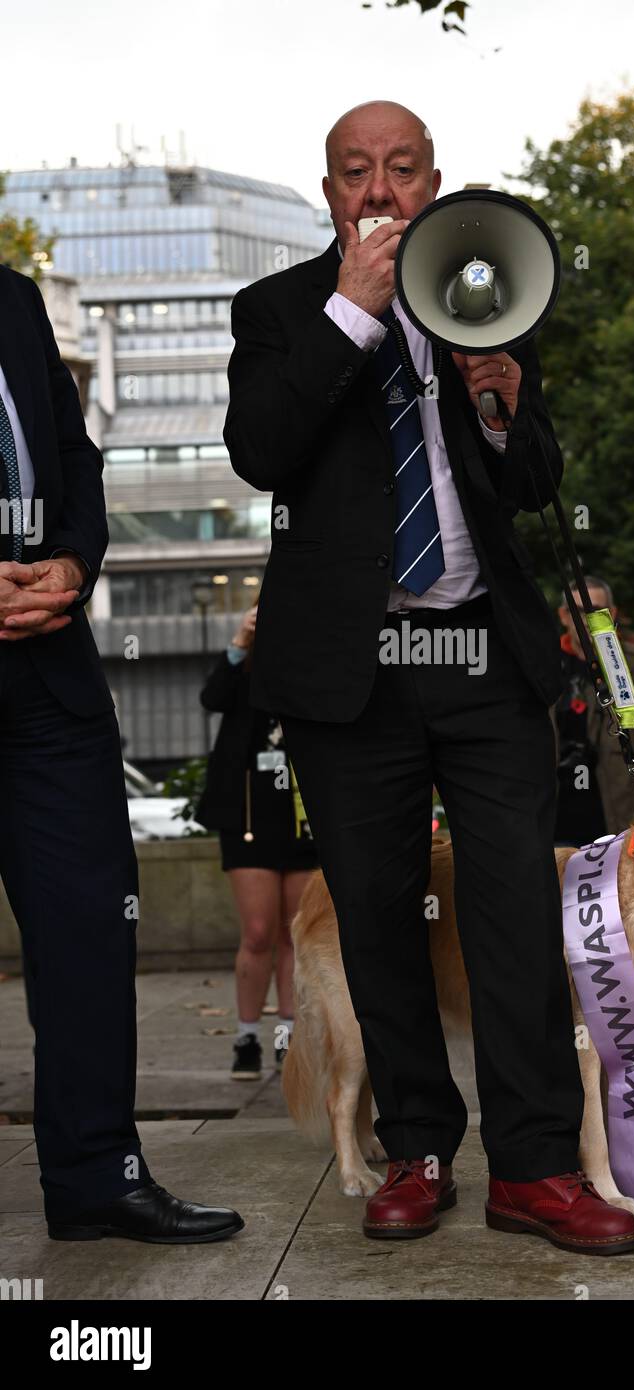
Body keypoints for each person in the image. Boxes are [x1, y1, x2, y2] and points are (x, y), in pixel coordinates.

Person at [221, 99, 634, 1256]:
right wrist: (351, 317)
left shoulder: (483, 293)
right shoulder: (275, 313)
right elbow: (261, 446)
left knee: (512, 911)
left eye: (400, 169)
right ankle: (415, 1147)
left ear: (434, 182)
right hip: (350, 675)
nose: (378, 189)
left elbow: (535, 479)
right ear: (327, 195)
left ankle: (539, 1168)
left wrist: (500, 403)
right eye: (354, 171)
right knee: (378, 916)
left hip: (479, 656)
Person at [0, 264, 242, 1243]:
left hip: (50, 688)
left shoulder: (13, 300)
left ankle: (97, 1174)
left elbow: (72, 454)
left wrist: (72, 559)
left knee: (89, 935)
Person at [194, 603, 319, 1079]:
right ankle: (247, 1036)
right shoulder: (240, 675)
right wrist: (241, 641)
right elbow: (211, 698)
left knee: (295, 934)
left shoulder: (304, 667)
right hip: (247, 817)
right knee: (259, 932)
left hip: (301, 818)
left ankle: (288, 1034)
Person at [555, 577, 634, 841]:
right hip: (557, 814)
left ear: (611, 615)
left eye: (594, 611)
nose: (584, 619)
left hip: (621, 817)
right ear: (563, 616)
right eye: (576, 611)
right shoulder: (544, 665)